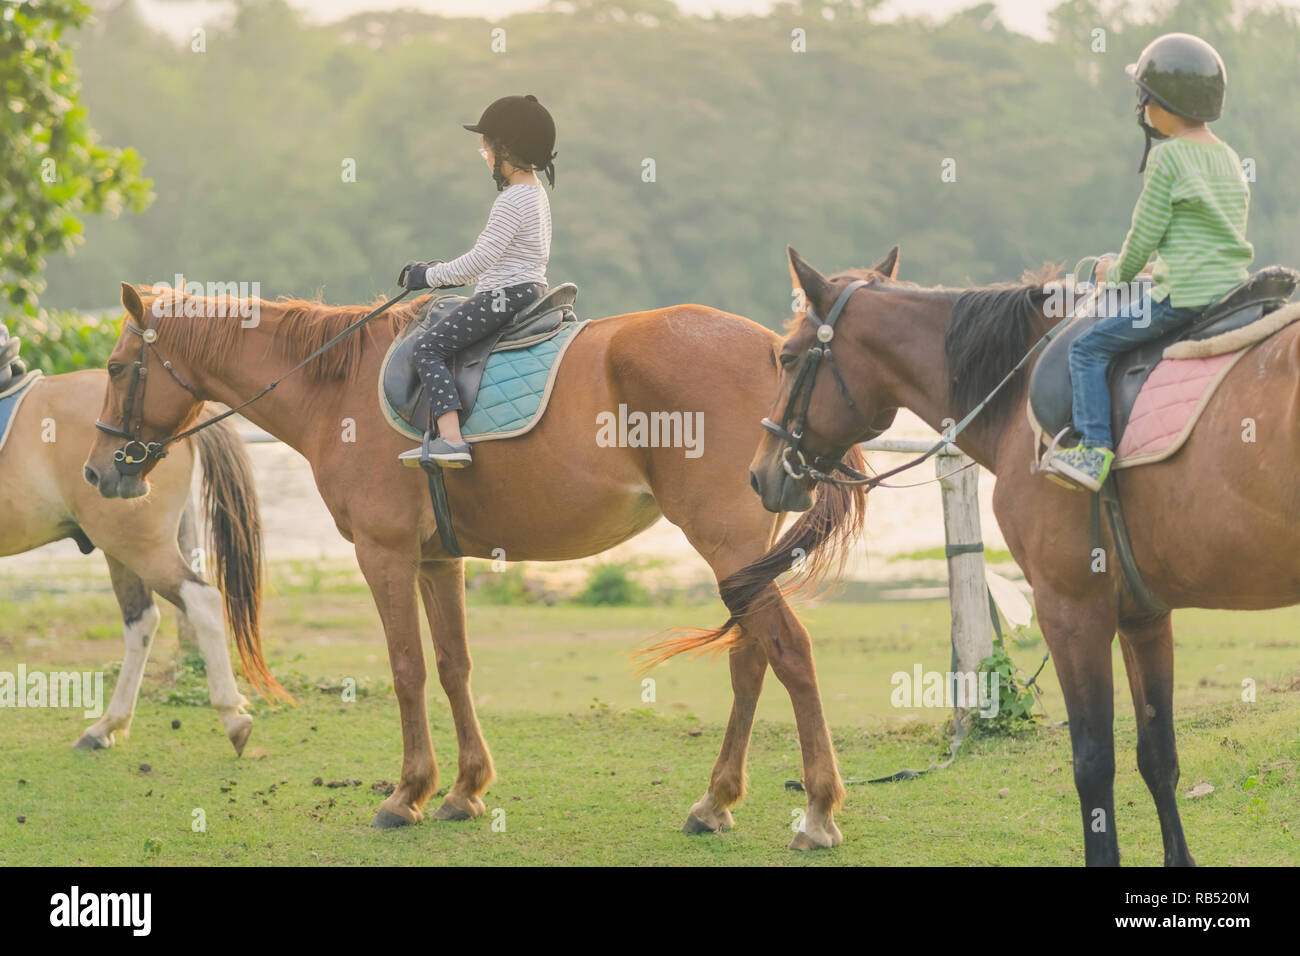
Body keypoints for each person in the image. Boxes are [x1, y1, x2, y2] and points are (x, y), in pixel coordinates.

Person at [1047, 33, 1253, 492]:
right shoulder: (1229, 157)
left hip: (1183, 298)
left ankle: (1093, 451)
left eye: (1144, 98)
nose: (1141, 107)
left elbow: (1143, 238)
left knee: (1088, 348)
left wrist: (1114, 273)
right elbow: (1214, 235)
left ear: (1161, 103)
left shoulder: (1168, 158)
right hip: (1229, 293)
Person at [397, 94, 557, 469]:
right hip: (530, 290)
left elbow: (478, 262)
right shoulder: (536, 193)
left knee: (428, 347)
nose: (483, 154)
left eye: (486, 147)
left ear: (506, 149)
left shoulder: (512, 200)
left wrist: (427, 275)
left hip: (503, 295)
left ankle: (451, 441)